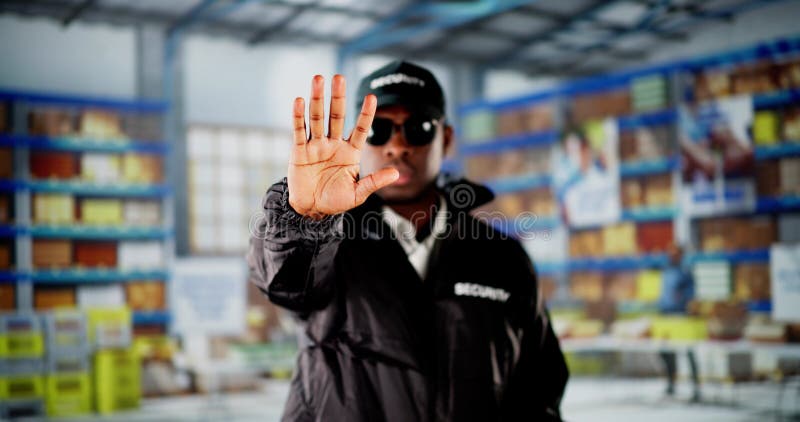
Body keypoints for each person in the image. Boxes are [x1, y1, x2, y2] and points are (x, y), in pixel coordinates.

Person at [247, 60, 568, 421]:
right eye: (378, 129)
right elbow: (284, 282)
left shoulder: (502, 257)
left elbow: (538, 389)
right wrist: (306, 218)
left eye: (419, 128)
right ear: (359, 138)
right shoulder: (327, 245)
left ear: (446, 139)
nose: (397, 146)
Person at [657, 243, 701, 402]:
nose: (672, 256)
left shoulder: (685, 272)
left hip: (681, 316)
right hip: (666, 315)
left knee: (688, 351)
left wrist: (685, 301)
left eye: (675, 253)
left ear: (681, 255)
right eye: (670, 253)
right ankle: (671, 384)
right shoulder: (666, 270)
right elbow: (664, 292)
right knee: (665, 351)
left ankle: (695, 387)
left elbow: (690, 294)